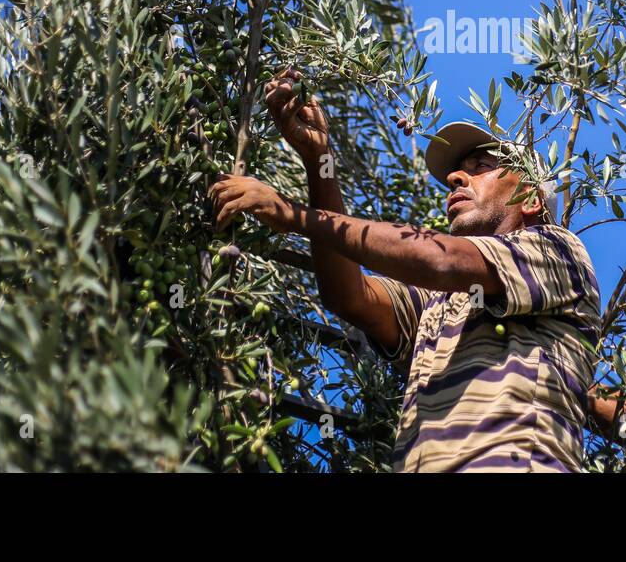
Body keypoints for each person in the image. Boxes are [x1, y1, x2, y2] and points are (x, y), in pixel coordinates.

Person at [210, 67, 601, 472]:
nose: (454, 177)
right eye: (458, 170)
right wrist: (319, 159)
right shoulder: (441, 303)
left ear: (531, 199)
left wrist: (293, 215)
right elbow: (350, 297)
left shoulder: (558, 251)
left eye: (481, 165)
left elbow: (442, 260)